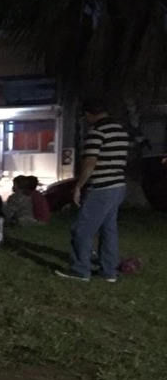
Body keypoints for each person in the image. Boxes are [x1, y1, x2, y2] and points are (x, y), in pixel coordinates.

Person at [56, 97, 130, 282]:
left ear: (89, 113)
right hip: (118, 186)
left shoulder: (97, 131)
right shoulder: (120, 130)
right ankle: (109, 271)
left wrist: (79, 186)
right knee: (108, 229)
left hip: (102, 187)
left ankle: (80, 270)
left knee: (81, 229)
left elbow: (90, 161)